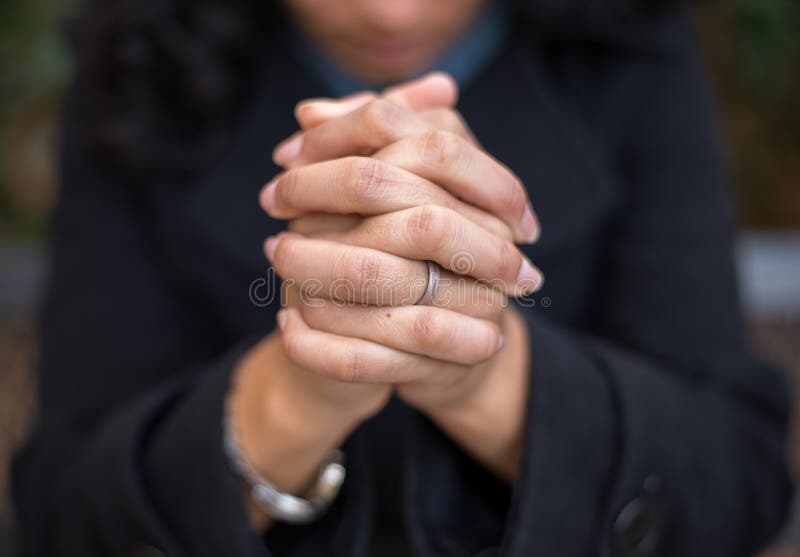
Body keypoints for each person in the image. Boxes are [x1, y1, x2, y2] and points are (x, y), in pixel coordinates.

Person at [12, 0, 793, 556]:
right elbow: (62, 509)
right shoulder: (140, 58)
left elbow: (737, 481)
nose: (392, 15)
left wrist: (481, 374)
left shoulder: (633, 42)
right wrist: (298, 389)